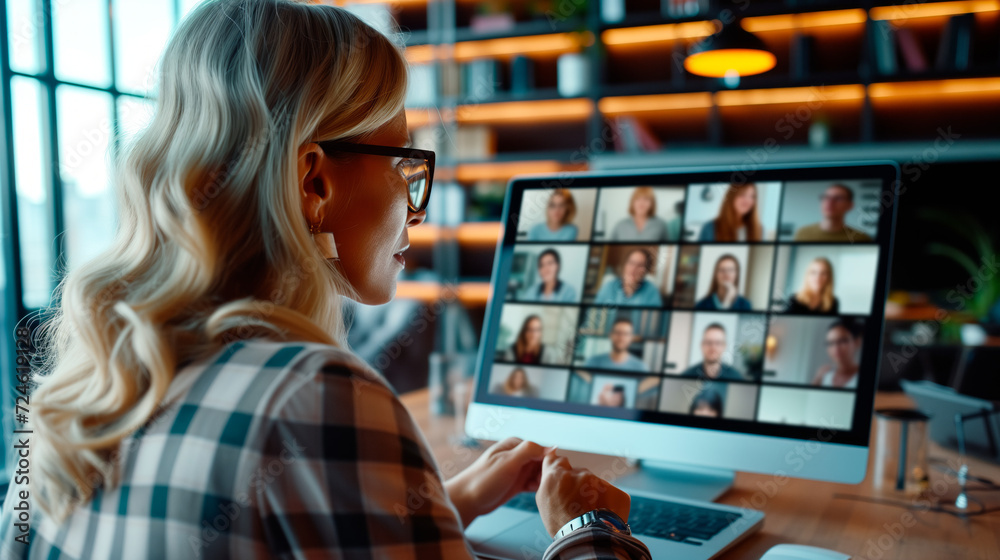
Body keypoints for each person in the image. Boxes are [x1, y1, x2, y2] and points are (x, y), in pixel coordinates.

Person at [0, 3, 650, 559]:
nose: (415, 207)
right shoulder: (319, 397)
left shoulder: (68, 398)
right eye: (405, 165)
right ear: (315, 181)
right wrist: (588, 529)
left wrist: (436, 509)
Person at [794, 183, 873, 242]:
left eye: (838, 198)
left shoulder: (861, 238)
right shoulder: (802, 233)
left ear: (850, 205)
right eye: (826, 197)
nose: (830, 202)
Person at [594, 248, 663, 307]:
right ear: (624, 265)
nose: (633, 269)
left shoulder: (651, 291)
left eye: (640, 265)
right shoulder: (608, 287)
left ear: (646, 271)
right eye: (631, 263)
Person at [679, 324, 746, 380]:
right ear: (702, 345)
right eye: (709, 342)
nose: (713, 347)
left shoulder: (736, 377)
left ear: (724, 346)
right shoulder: (686, 375)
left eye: (718, 343)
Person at [699, 183, 763, 242]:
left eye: (752, 196)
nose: (748, 200)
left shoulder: (759, 229)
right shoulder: (710, 228)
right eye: (743, 194)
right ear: (731, 197)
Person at [811, 319, 863, 388]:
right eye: (830, 343)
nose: (836, 348)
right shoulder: (824, 375)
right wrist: (817, 379)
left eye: (842, 341)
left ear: (857, 342)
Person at [583, 318, 647, 372]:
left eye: (626, 334)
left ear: (631, 337)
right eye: (618, 333)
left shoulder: (640, 368)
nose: (621, 338)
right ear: (610, 335)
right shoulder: (592, 362)